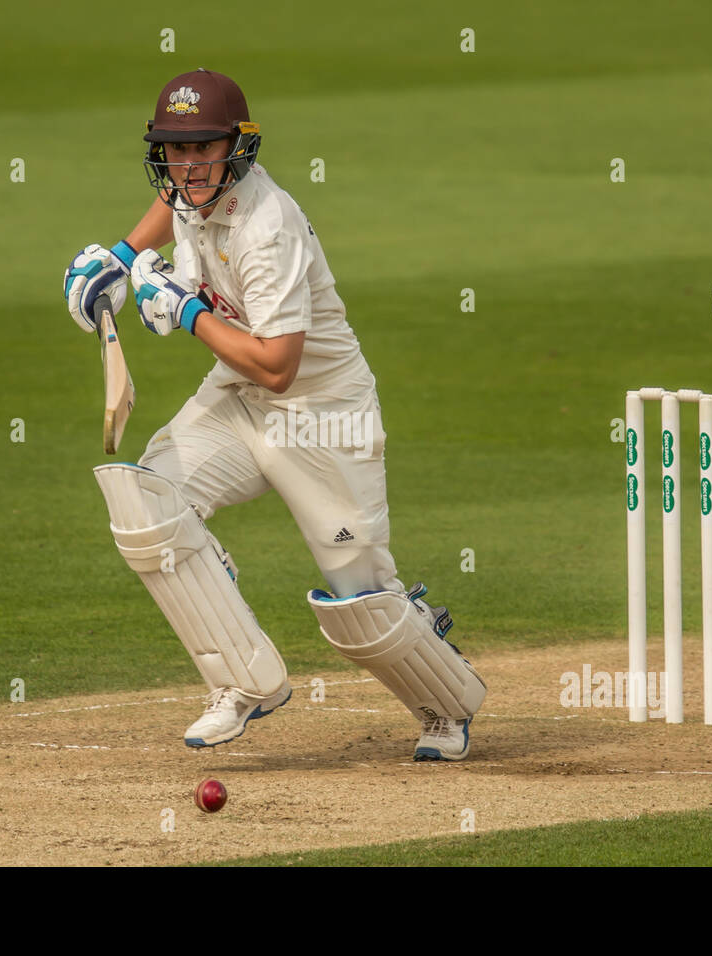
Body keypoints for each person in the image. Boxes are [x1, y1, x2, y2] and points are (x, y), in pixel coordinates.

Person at [63, 68, 485, 760]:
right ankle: (241, 680)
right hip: (237, 401)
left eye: (205, 148)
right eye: (176, 149)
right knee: (147, 504)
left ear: (238, 146)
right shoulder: (189, 189)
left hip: (321, 414)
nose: (190, 165)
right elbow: (177, 205)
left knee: (361, 608)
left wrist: (186, 311)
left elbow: (279, 366)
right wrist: (119, 257)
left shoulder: (268, 227)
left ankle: (448, 701)